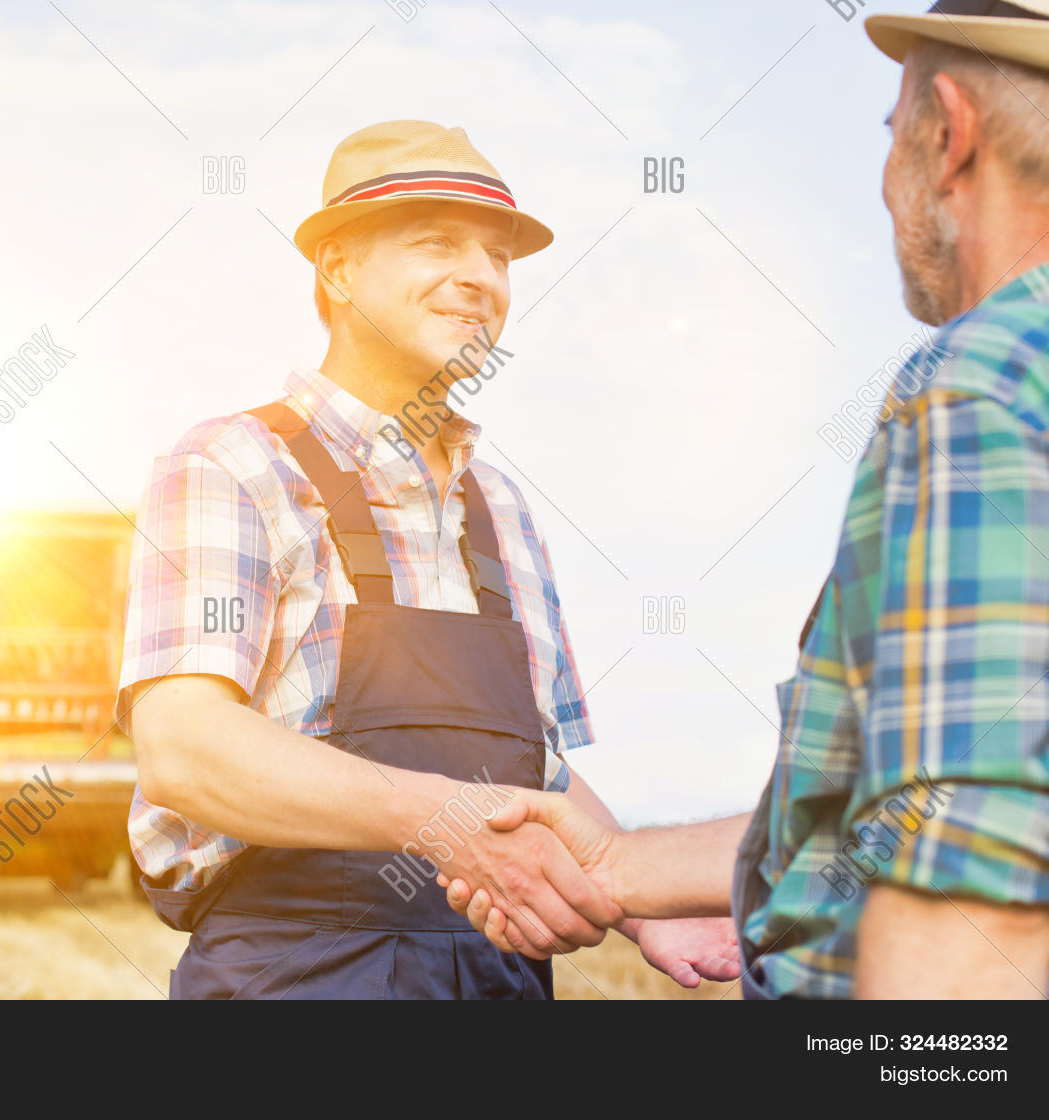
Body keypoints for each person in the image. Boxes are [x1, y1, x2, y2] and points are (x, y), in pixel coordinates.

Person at [442, 0, 1049, 1000]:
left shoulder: (980, 384)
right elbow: (893, 798)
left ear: (950, 135)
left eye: (892, 135)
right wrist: (616, 868)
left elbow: (964, 895)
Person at [116, 120, 739, 998]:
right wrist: (447, 822)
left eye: (499, 256)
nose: (481, 278)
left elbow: (541, 771)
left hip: (500, 978)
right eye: (436, 243)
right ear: (335, 269)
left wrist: (644, 902)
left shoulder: (504, 512)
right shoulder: (232, 465)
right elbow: (186, 750)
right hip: (301, 974)